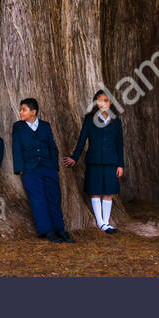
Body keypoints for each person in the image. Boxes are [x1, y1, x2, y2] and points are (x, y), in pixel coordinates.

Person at [12, 97, 74, 243]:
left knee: (54, 198)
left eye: (24, 109)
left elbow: (52, 145)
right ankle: (47, 231)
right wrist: (20, 169)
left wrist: (54, 165)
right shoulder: (18, 127)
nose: (21, 112)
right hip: (30, 170)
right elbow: (16, 149)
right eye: (20, 109)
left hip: (48, 168)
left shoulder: (45, 126)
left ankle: (60, 229)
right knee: (38, 199)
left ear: (33, 112)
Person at [65, 90, 124, 233]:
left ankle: (107, 221)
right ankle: (101, 222)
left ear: (110, 103)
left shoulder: (116, 121)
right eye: (99, 100)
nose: (103, 103)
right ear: (95, 103)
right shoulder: (89, 119)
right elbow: (82, 140)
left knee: (108, 192)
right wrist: (75, 156)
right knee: (96, 191)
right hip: (94, 160)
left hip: (111, 161)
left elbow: (119, 144)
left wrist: (120, 164)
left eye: (106, 100)